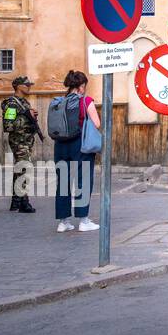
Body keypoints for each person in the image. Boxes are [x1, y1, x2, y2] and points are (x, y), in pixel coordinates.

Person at [52, 70, 100, 233]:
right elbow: (97, 123)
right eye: (84, 85)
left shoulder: (59, 102)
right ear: (81, 86)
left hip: (60, 145)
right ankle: (83, 220)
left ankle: (63, 221)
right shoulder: (86, 101)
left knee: (63, 182)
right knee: (83, 180)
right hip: (80, 144)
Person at [2, 75, 41, 213]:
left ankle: (15, 202)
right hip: (19, 142)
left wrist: (31, 116)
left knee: (20, 170)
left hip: (26, 141)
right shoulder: (12, 104)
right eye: (26, 85)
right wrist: (26, 117)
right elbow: (8, 125)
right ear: (18, 86)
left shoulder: (24, 102)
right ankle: (24, 202)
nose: (29, 86)